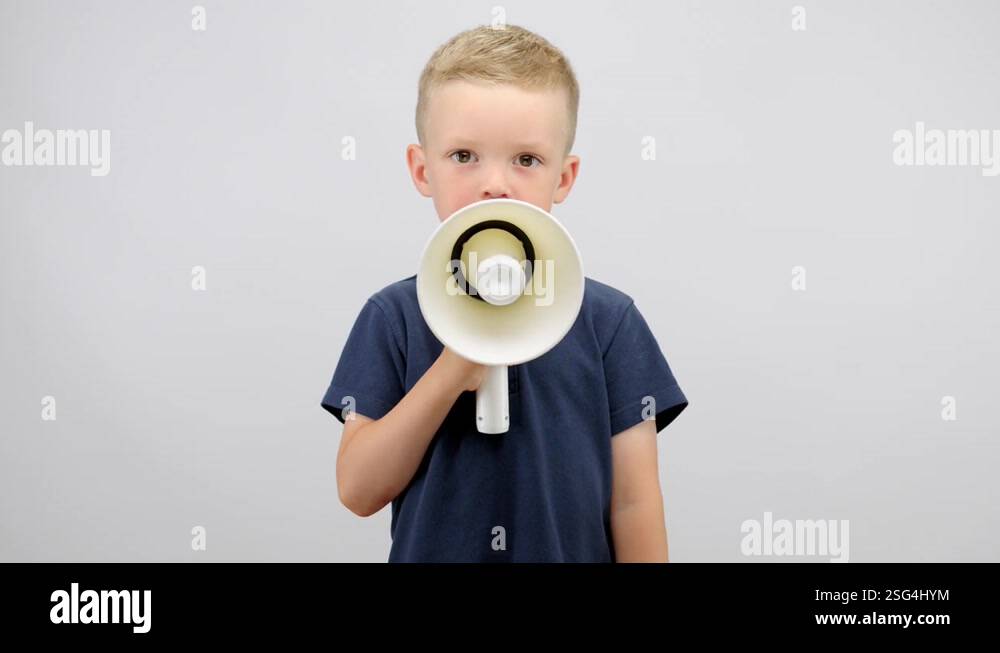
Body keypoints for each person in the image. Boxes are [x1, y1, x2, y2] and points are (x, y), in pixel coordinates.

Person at [321, 24, 689, 562]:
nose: (495, 184)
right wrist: (452, 369)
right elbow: (358, 490)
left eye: (526, 160)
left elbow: (633, 502)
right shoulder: (393, 316)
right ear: (423, 170)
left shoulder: (609, 322)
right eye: (464, 156)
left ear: (563, 178)